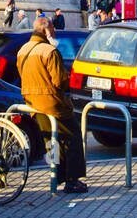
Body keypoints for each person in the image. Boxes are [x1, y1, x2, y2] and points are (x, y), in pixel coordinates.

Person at [17, 15, 88, 195]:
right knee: (72, 138)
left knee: (52, 141)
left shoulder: (22, 50)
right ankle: (72, 181)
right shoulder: (49, 51)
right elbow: (59, 80)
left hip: (32, 104)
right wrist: (68, 81)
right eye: (53, 29)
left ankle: (56, 176)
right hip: (52, 104)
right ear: (46, 30)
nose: (54, 32)